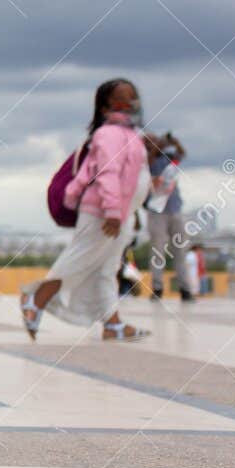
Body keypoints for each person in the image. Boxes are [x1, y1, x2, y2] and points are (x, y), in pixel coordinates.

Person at [21, 78, 151, 342]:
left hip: (122, 214)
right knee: (79, 260)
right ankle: (37, 297)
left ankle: (112, 324)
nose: (132, 102)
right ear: (105, 107)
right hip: (103, 214)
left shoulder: (132, 136)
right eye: (124, 97)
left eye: (133, 96)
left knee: (107, 269)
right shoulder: (107, 135)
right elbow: (107, 173)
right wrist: (113, 212)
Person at [145, 133, 188, 301]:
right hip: (157, 211)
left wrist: (174, 141)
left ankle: (185, 288)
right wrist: (156, 148)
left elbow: (182, 154)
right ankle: (157, 288)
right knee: (157, 252)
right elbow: (147, 163)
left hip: (174, 209)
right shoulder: (147, 160)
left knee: (180, 251)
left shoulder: (169, 159)